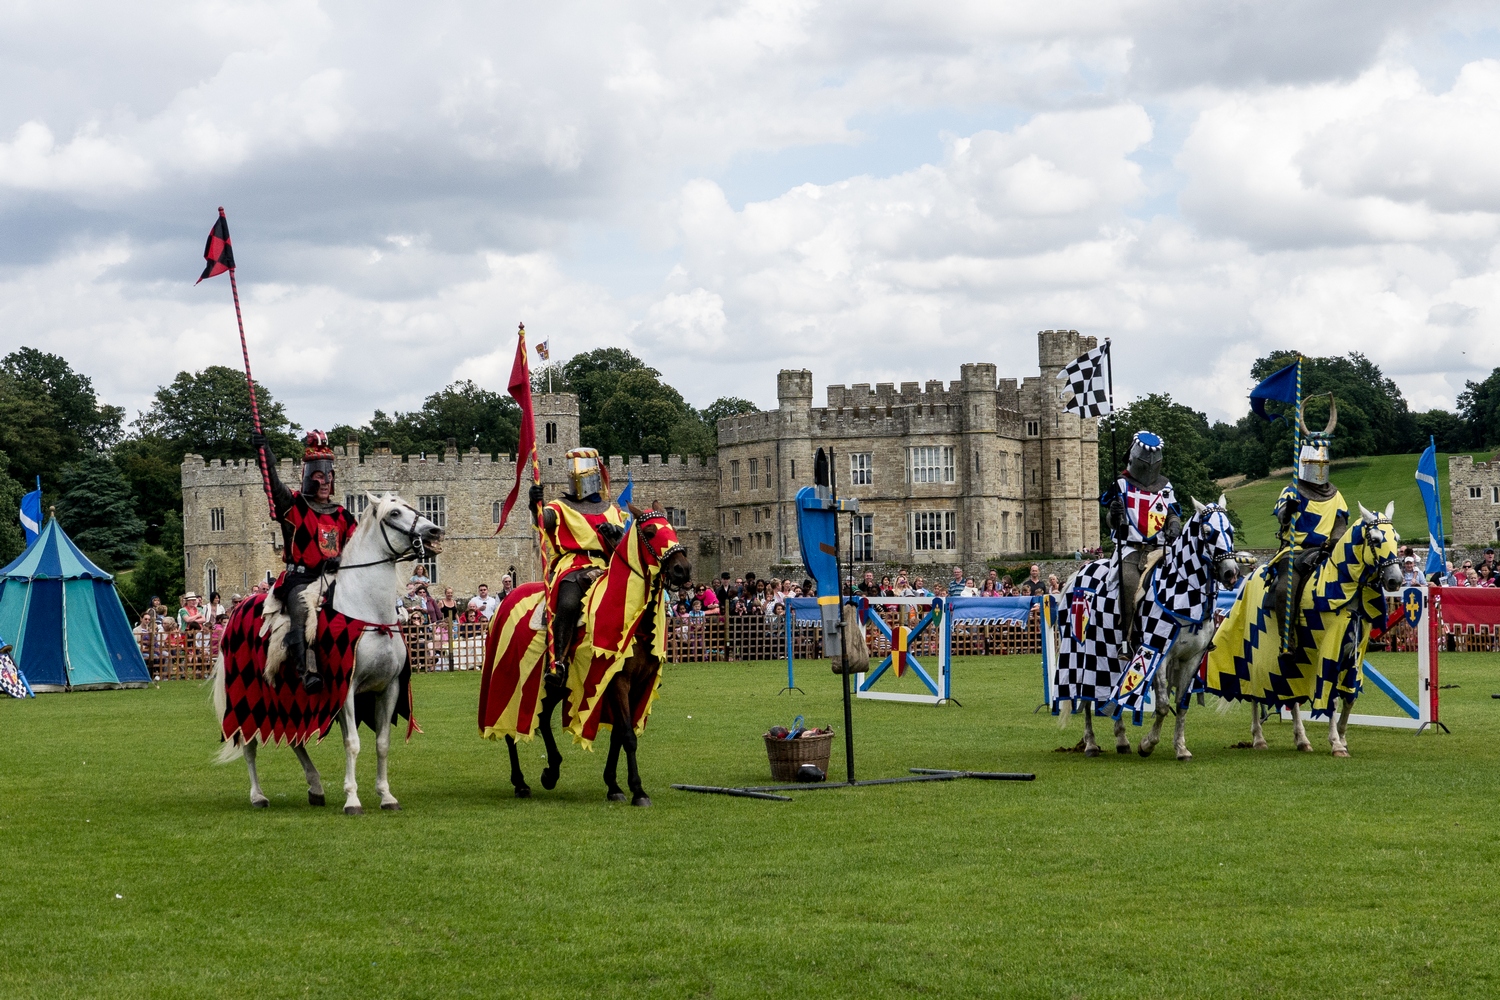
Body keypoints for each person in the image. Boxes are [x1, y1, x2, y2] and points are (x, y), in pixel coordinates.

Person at [252, 428, 358, 694]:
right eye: (319, 476)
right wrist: (265, 454)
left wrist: (342, 559)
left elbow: (356, 548)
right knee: (302, 609)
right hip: (300, 578)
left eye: (329, 476)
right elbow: (273, 487)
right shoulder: (294, 505)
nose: (324, 482)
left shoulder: (343, 515)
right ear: (309, 478)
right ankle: (307, 670)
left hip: (333, 578)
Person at [529, 448, 627, 686]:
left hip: (607, 565)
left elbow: (624, 545)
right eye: (573, 474)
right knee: (569, 601)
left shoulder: (612, 509)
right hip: (574, 564)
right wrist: (535, 504)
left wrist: (617, 534)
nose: (578, 479)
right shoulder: (560, 506)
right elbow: (544, 520)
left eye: (583, 473)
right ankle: (559, 662)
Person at [1264, 397, 1346, 642]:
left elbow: (1340, 523)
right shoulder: (1292, 490)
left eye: (1322, 463)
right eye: (1314, 463)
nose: (1319, 468)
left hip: (1326, 551)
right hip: (1295, 551)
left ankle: (1362, 627)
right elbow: (1282, 519)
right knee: (1284, 588)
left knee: (1361, 574)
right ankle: (1286, 638)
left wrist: (1335, 540)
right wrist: (1288, 509)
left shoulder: (1336, 495)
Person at [1104, 430, 1180, 644]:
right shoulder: (1121, 484)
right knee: (1129, 583)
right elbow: (1110, 520)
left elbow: (1171, 513)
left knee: (1187, 578)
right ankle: (1126, 638)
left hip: (1160, 549)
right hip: (1131, 549)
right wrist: (1114, 514)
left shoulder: (1165, 487)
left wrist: (1174, 525)